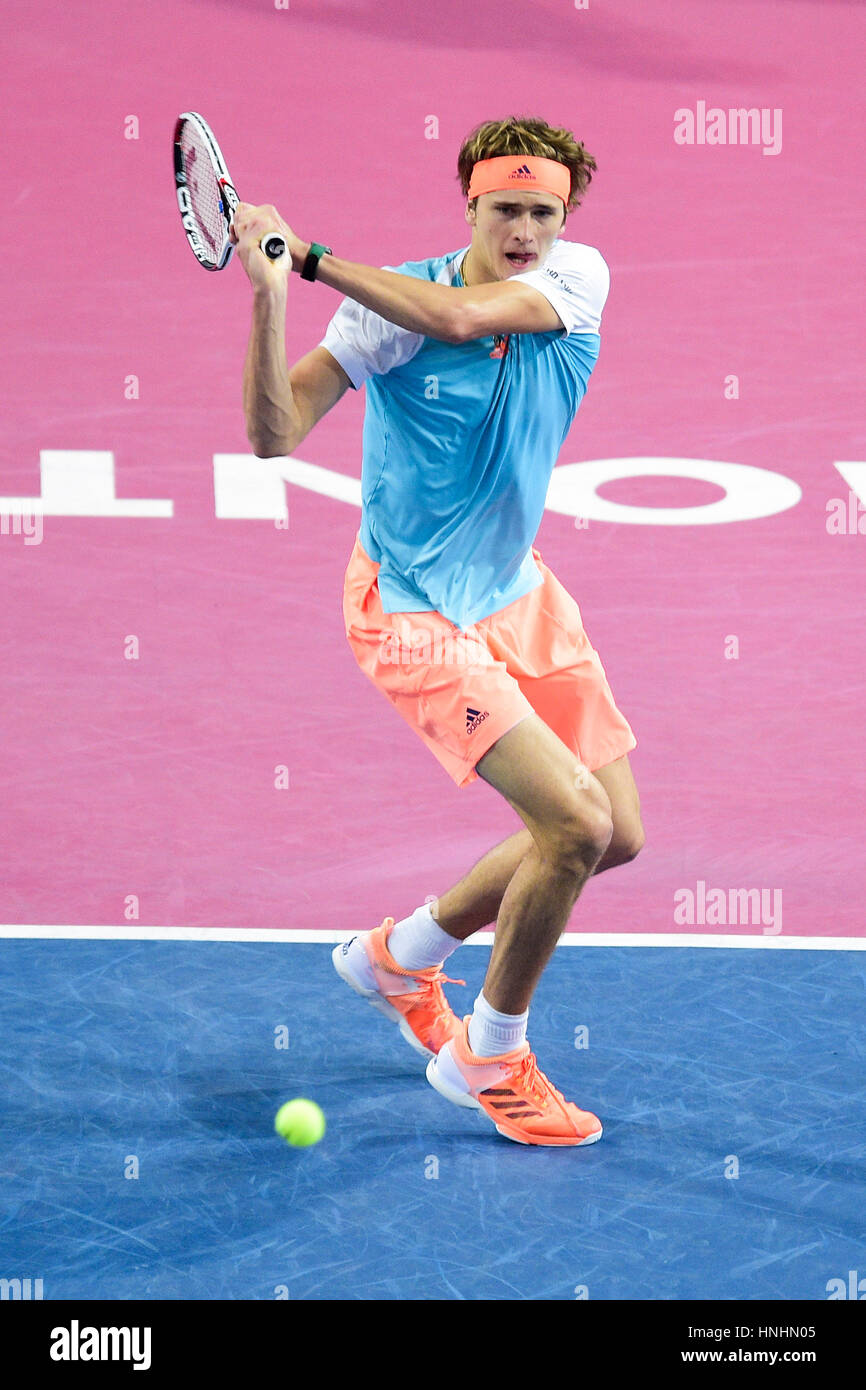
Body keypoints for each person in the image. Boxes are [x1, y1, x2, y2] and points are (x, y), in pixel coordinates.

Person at [232, 116, 644, 1148]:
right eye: (503, 208)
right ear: (466, 202)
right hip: (412, 612)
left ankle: (394, 956)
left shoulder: (572, 279)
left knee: (617, 835)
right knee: (574, 826)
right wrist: (273, 297)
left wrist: (316, 258)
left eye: (540, 211)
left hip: (515, 593)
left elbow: (461, 321)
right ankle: (488, 1057)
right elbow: (273, 436)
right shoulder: (383, 321)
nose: (522, 230)